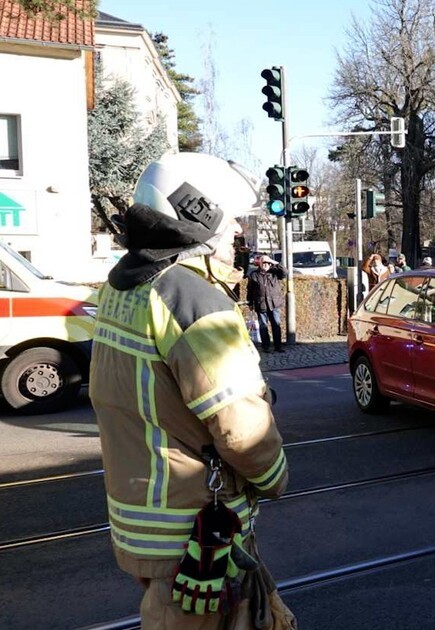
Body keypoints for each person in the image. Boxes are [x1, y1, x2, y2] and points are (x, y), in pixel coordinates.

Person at [90, 152, 294, 627]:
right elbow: (241, 429)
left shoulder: (123, 287)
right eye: (234, 223)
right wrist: (276, 476)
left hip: (145, 523)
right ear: (200, 215)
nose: (239, 235)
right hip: (195, 533)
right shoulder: (194, 301)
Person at [246, 255, 286, 353]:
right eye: (263, 263)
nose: (266, 265)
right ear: (259, 263)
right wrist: (250, 303)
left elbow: (285, 272)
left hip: (274, 304)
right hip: (261, 304)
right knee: (263, 326)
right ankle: (266, 346)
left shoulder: (275, 273)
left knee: (276, 325)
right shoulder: (254, 275)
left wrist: (273, 261)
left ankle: (278, 346)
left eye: (268, 263)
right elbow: (250, 290)